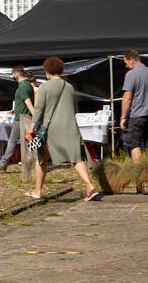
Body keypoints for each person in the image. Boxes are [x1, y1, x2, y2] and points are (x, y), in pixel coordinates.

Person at [25, 57, 102, 201]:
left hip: (50, 129)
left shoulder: (44, 88)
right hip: (70, 126)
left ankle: (37, 191)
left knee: (41, 159)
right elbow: (74, 108)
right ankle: (89, 186)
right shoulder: (69, 87)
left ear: (46, 71)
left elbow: (38, 111)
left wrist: (30, 129)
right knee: (76, 158)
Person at [0, 66, 36, 171]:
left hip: (21, 119)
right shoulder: (27, 85)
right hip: (24, 116)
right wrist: (16, 109)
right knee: (29, 140)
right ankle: (34, 162)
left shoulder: (22, 87)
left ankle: (4, 162)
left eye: (13, 75)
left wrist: (36, 119)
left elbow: (29, 104)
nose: (13, 77)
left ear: (16, 74)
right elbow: (25, 102)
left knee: (13, 140)